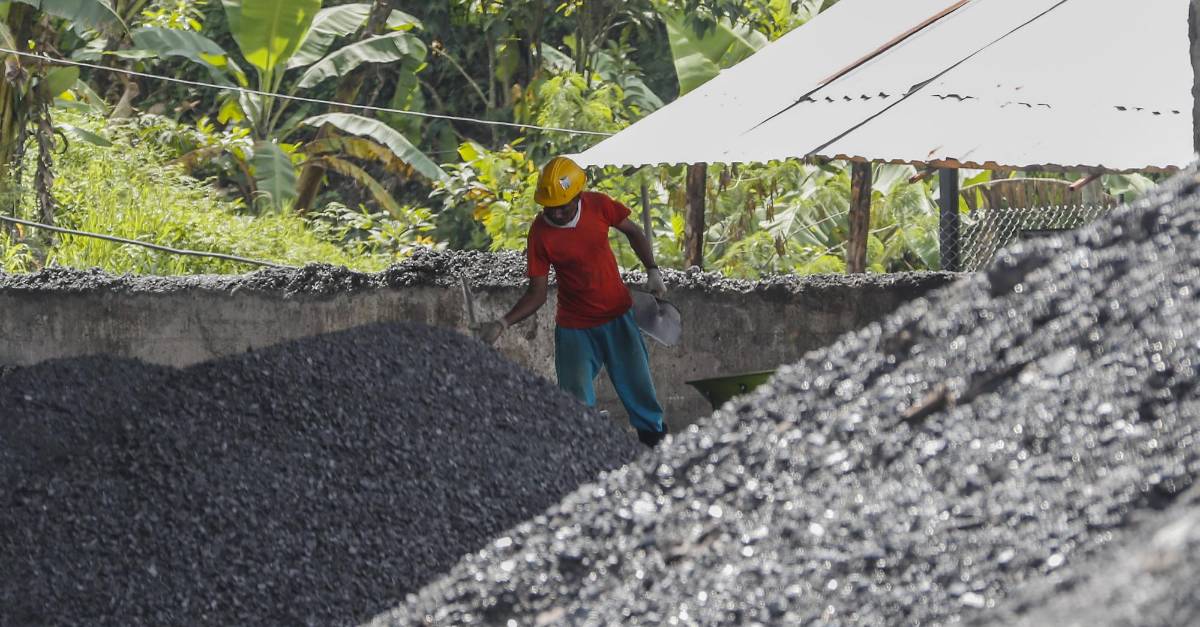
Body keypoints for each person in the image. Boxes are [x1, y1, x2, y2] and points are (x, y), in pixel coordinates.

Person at [475, 156, 669, 447]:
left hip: (618, 317)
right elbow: (537, 293)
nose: (559, 213)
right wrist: (502, 323)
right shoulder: (540, 233)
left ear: (578, 196)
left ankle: (656, 449)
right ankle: (583, 454)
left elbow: (633, 231)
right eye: (551, 208)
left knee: (640, 392)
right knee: (574, 401)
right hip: (575, 327)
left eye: (565, 205)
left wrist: (652, 270)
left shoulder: (599, 205)